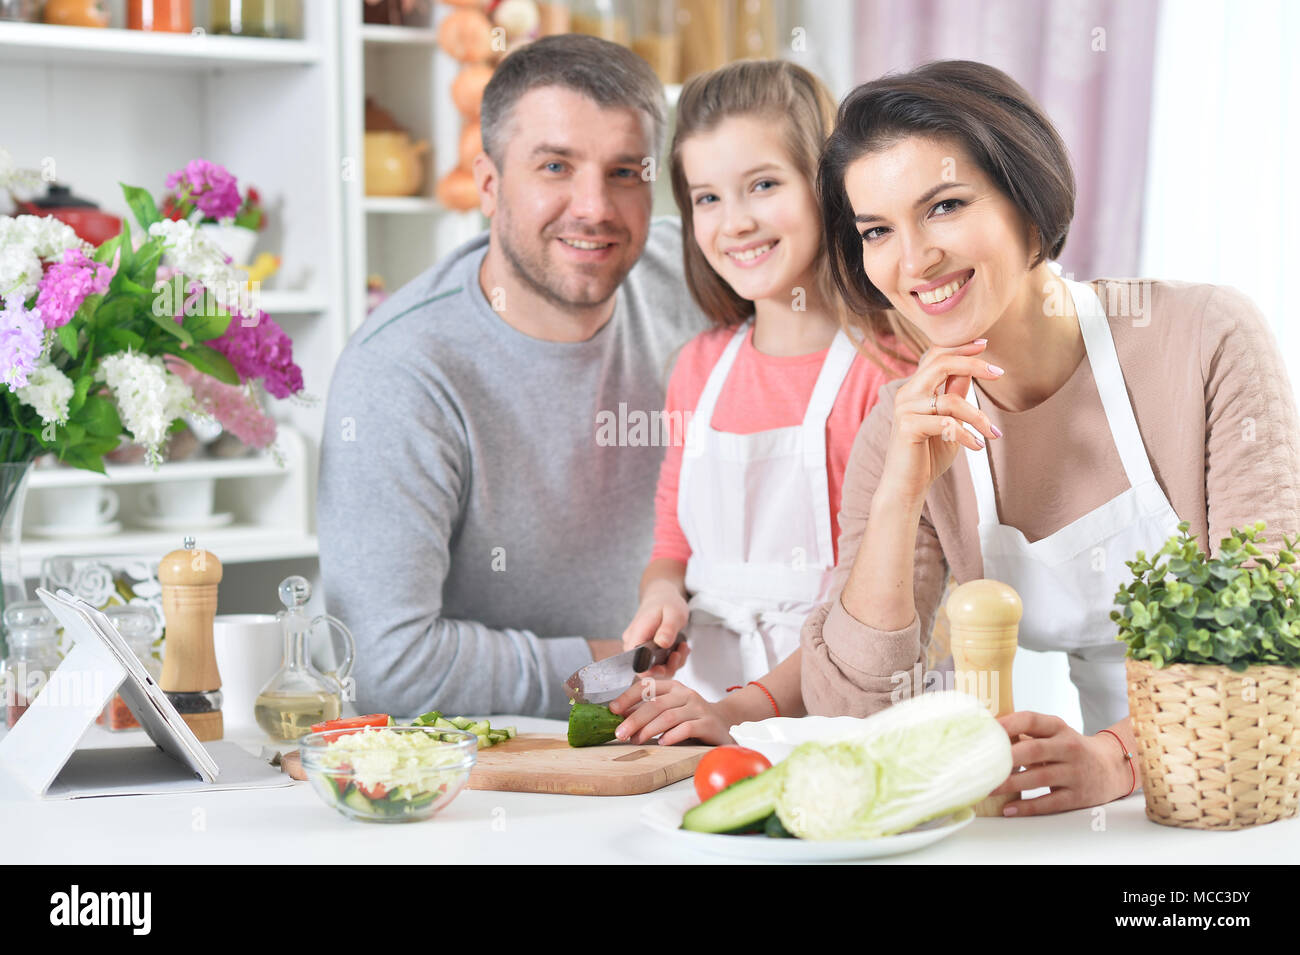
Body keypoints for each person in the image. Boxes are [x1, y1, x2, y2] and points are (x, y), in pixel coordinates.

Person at [795, 59, 1300, 815]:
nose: (913, 260)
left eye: (944, 206)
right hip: (1111, 812)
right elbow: (853, 713)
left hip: (1257, 781)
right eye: (877, 230)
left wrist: (1120, 756)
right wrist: (900, 496)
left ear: (1028, 205)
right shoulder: (905, 423)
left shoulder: (1204, 339)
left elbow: (1277, 630)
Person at [317, 34, 700, 720]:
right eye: (556, 166)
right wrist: (624, 665)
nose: (594, 207)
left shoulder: (705, 278)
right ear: (489, 186)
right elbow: (386, 667)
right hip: (499, 776)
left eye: (624, 172)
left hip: (704, 730)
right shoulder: (403, 371)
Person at [610, 61, 912, 743]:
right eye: (708, 198)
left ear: (830, 187)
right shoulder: (698, 368)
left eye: (764, 185)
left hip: (851, 721)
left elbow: (875, 605)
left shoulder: (889, 372)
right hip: (710, 713)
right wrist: (663, 594)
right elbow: (672, 539)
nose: (736, 222)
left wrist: (739, 711)